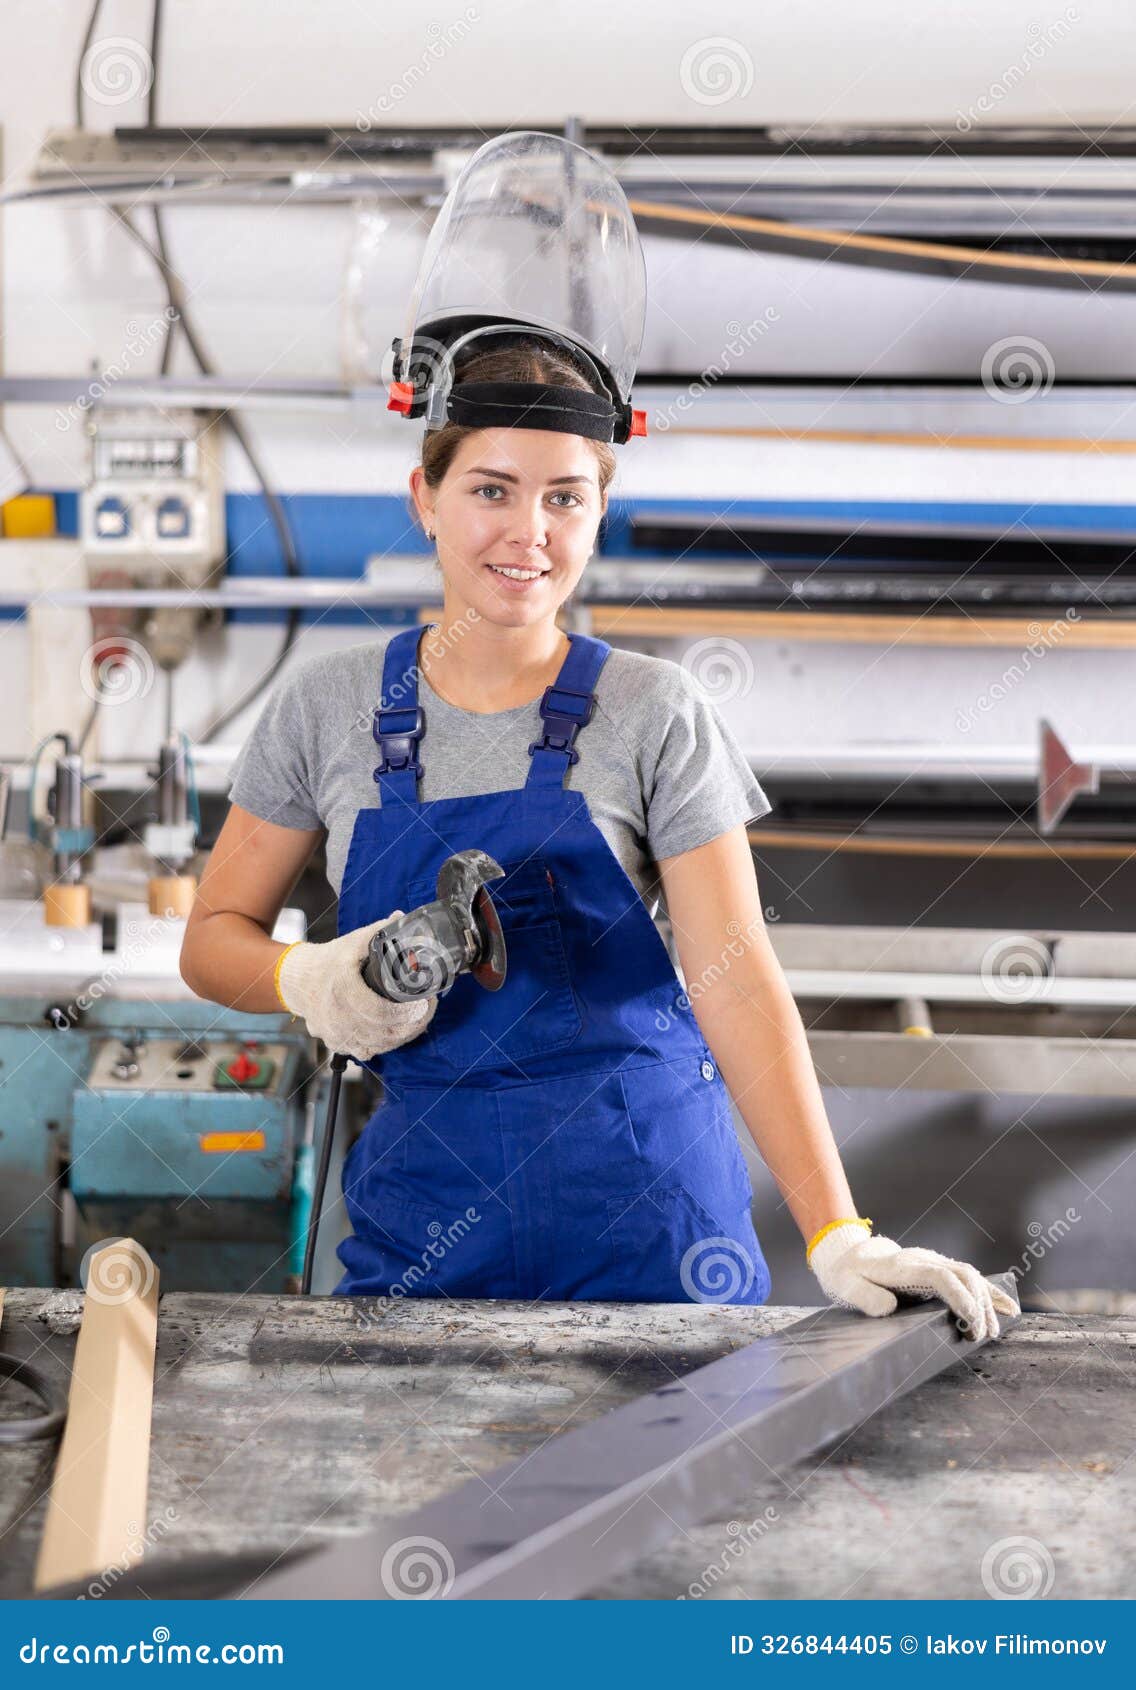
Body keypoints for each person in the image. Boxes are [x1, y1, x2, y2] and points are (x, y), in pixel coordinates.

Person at [181, 135, 1015, 1338]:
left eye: (564, 495)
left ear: (600, 506)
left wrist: (838, 1230)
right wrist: (305, 977)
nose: (527, 532)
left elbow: (735, 980)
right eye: (490, 488)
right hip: (428, 1227)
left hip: (652, 1223)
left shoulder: (653, 712)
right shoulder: (327, 707)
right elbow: (212, 942)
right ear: (424, 496)